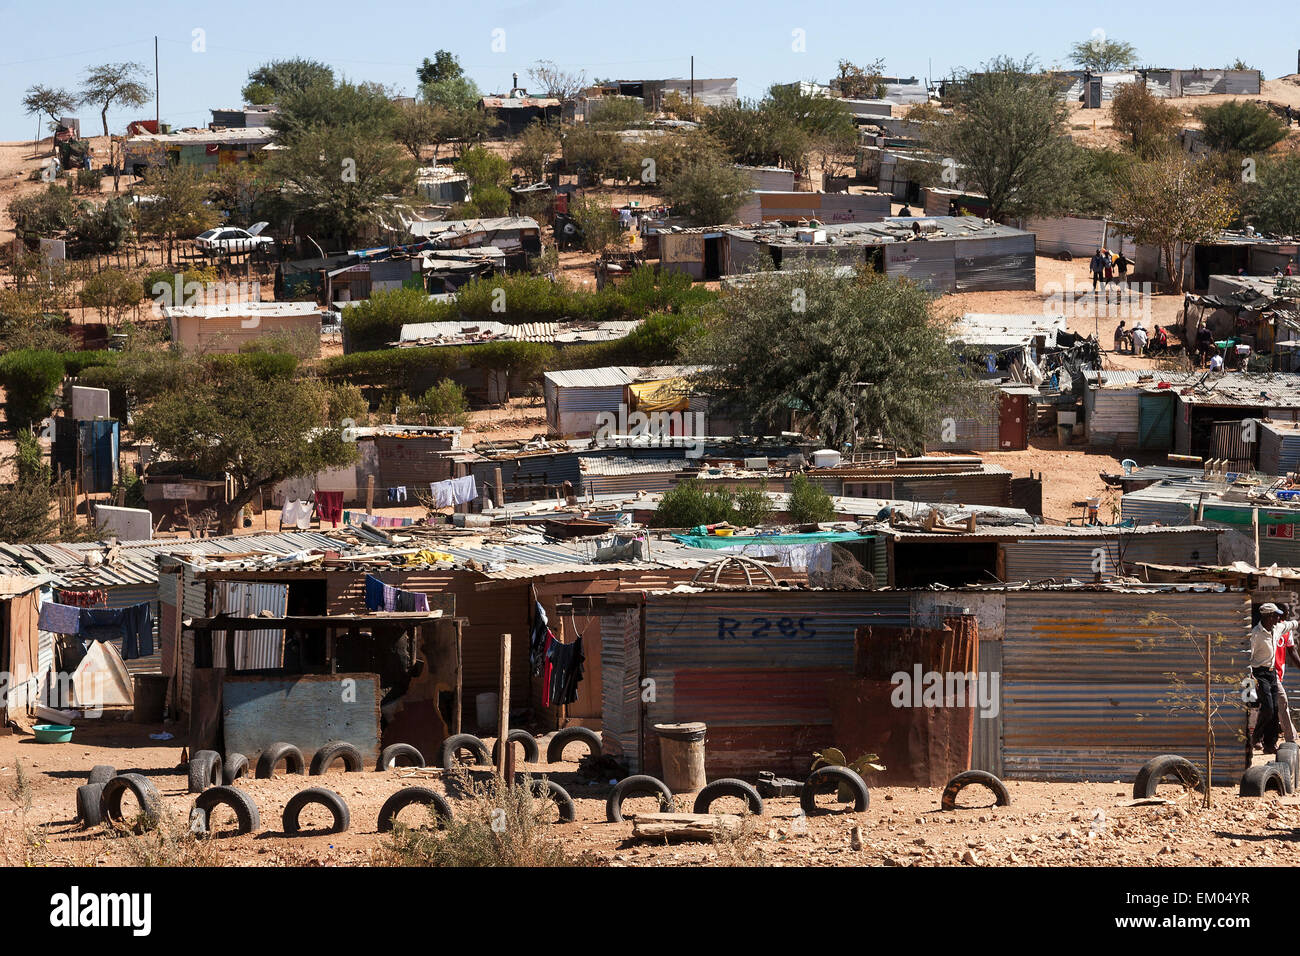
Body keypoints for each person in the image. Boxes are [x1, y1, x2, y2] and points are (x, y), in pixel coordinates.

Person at [1250, 603, 1286, 754]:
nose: (1279, 618)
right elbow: (1248, 658)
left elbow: (1290, 625)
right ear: (1268, 616)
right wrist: (1253, 679)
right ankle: (1256, 737)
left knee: (1275, 709)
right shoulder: (1256, 635)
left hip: (1272, 674)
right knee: (1268, 709)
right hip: (1260, 674)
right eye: (1276, 615)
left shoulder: (1276, 628)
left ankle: (1270, 744)